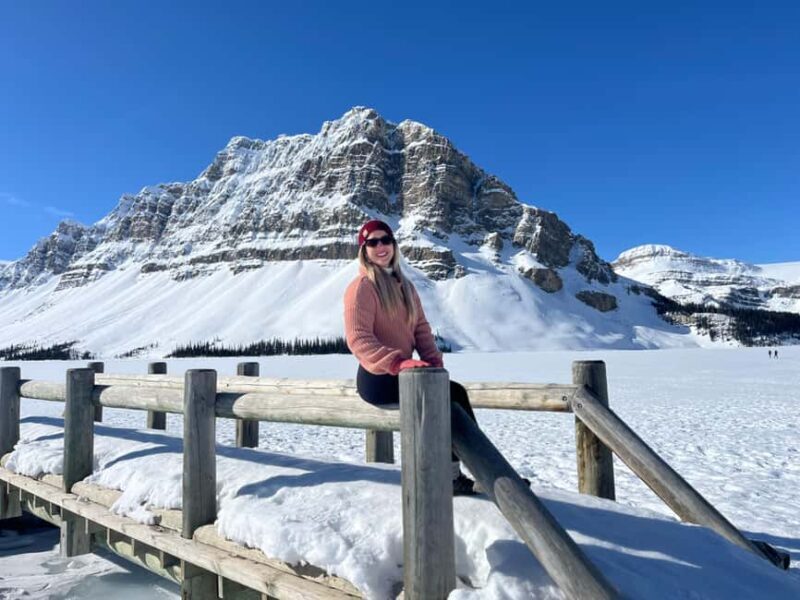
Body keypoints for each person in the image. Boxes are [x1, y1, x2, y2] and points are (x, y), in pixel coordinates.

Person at [343, 219, 480, 495]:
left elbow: (421, 330)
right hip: (377, 378)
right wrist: (398, 362)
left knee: (453, 392)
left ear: (394, 245)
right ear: (364, 250)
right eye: (373, 242)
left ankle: (474, 472)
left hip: (406, 374)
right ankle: (466, 475)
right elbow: (358, 339)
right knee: (448, 396)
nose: (381, 247)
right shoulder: (362, 288)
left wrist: (435, 365)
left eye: (386, 240)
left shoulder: (405, 286)